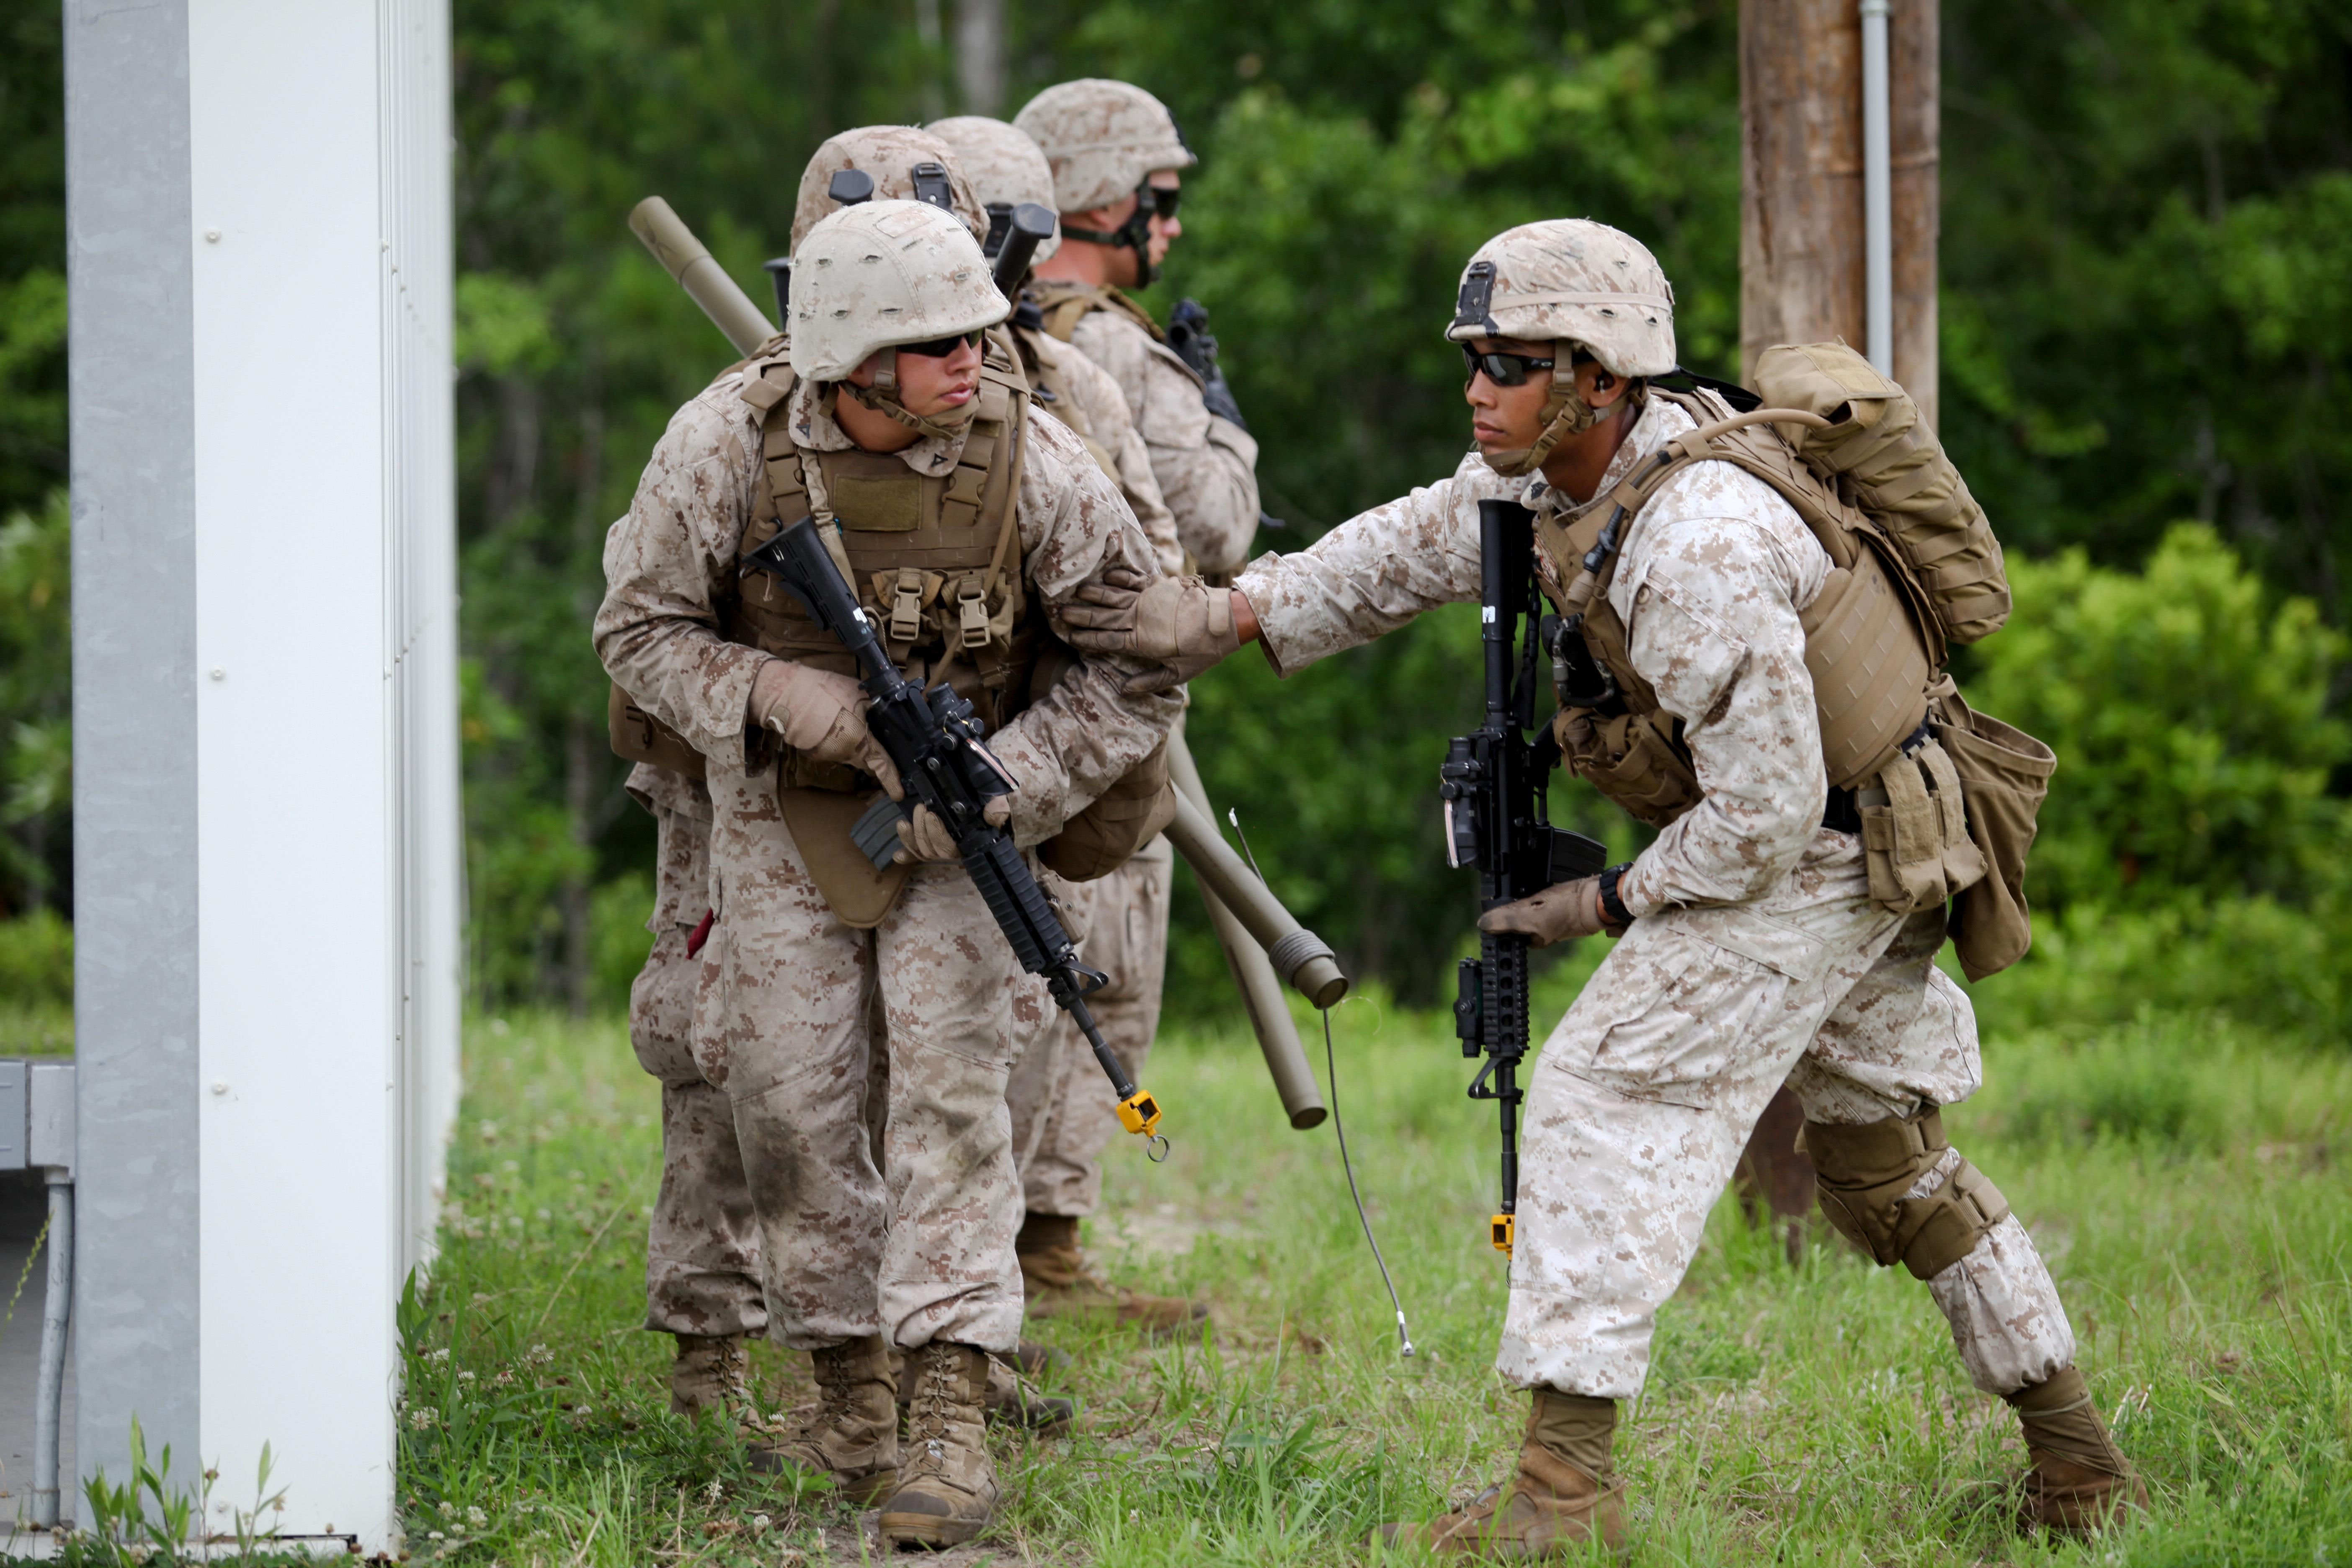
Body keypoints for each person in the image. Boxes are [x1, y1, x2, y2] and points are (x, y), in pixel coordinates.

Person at [1065, 219, 2144, 1551]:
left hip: (1819, 849)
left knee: (1602, 1092)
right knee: (1883, 1163)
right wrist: (1231, 615)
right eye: (1474, 358)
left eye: (1512, 363)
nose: (1479, 388)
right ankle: (2082, 1466)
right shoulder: (1567, 476)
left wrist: (1609, 902)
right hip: (1852, 834)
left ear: (1601, 377)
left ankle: (1563, 1495)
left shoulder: (1696, 538)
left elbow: (1761, 815)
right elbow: (1418, 542)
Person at [596, 197, 1179, 1548]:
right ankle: (845, 1380)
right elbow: (637, 631)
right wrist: (799, 706)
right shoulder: (726, 447)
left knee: (953, 1105)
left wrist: (1008, 782)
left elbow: (1135, 660)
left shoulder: (1033, 462)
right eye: (938, 344)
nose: (974, 360)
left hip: (969, 821)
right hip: (779, 815)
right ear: (856, 363)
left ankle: (952, 1413)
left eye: (981, 332)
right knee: (790, 1108)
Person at [609, 122, 1016, 1424]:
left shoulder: (1013, 422)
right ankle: (721, 1329)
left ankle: (926, 1354)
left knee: (937, 1076)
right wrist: (770, 696)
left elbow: (1116, 600)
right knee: (738, 1059)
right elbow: (640, 624)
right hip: (744, 778)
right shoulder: (729, 436)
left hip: (942, 787)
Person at [924, 111, 1205, 1340]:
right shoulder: (1086, 371)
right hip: (970, 763)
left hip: (1042, 748)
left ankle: (1007, 1276)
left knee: (1041, 1001)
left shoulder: (1068, 378)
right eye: (1156, 193)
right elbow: (1212, 526)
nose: (1173, 223)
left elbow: (1145, 601)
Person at [1015, 80, 1261, 580]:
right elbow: (1219, 533)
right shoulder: (1112, 341)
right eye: (1164, 203)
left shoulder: (977, 324)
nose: (1174, 226)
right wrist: (1224, 423)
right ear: (1104, 197)